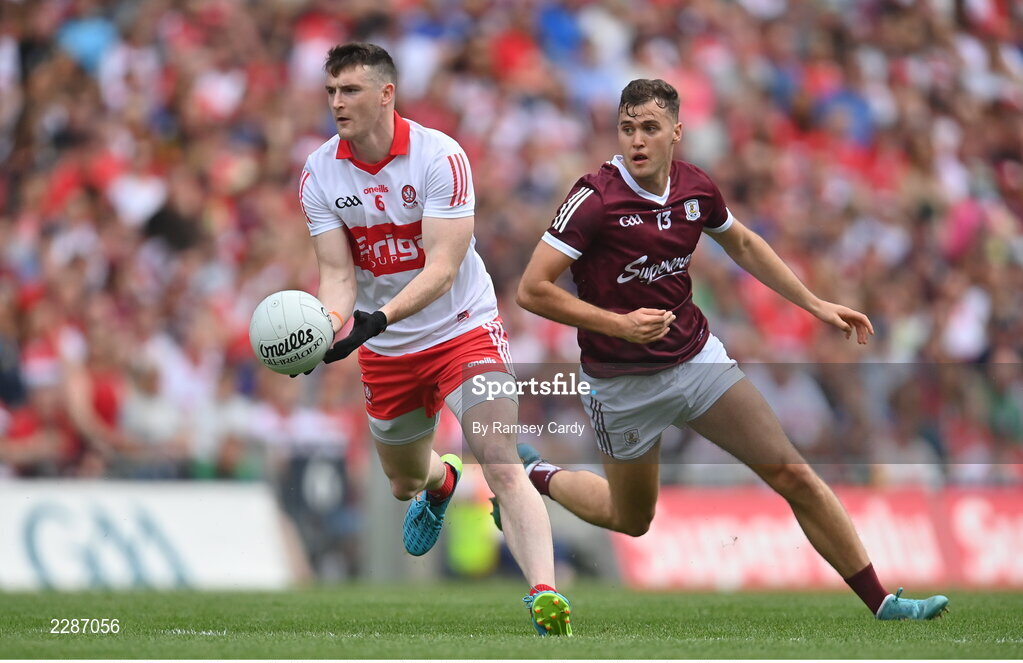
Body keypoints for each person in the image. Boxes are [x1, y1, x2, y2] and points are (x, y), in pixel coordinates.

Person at [503, 78, 948, 621]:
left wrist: (815, 304)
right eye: (627, 129)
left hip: (696, 362)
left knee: (793, 473)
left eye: (650, 128)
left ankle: (884, 603)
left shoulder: (696, 187)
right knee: (632, 517)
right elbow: (532, 290)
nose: (637, 141)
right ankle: (535, 477)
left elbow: (742, 242)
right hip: (621, 383)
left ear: (676, 133)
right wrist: (618, 325)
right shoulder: (594, 199)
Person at [295, 43, 571, 636]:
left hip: (461, 325)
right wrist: (319, 331)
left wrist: (378, 317)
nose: (337, 103)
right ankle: (443, 481)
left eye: (350, 91)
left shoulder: (440, 157)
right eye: (331, 92)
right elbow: (339, 278)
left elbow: (442, 269)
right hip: (388, 345)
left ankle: (546, 595)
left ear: (386, 93)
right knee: (402, 483)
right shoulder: (319, 170)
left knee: (500, 461)